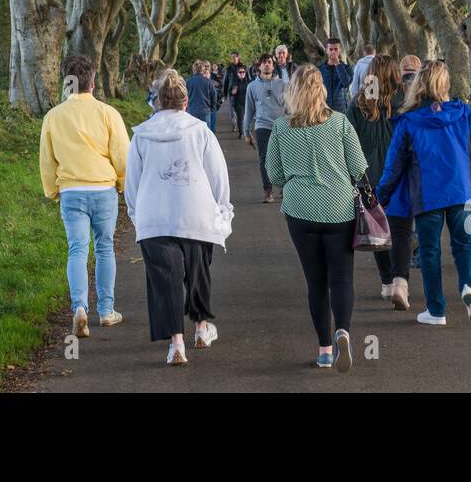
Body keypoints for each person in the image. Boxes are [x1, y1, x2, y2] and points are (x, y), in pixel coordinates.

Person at [125, 69, 233, 365]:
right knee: (198, 272)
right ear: (186, 102)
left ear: (156, 102)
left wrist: (137, 216)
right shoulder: (201, 132)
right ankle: (200, 327)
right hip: (196, 215)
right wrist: (222, 211)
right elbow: (218, 177)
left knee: (165, 279)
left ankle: (176, 344)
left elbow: (131, 183)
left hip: (155, 218)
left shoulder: (141, 136)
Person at [265, 65, 368, 372]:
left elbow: (275, 175)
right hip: (339, 209)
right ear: (321, 89)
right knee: (342, 278)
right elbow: (359, 167)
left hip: (300, 211)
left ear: (292, 91)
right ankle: (343, 332)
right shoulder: (339, 123)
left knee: (316, 281)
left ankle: (324, 349)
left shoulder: (281, 128)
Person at [378, 60, 471, 327]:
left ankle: (436, 310)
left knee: (429, 251)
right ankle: (468, 286)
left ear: (418, 85)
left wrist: (382, 196)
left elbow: (394, 165)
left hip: (427, 194)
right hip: (461, 189)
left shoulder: (409, 121)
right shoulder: (462, 112)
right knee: (464, 245)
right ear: (445, 84)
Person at [39, 54, 130, 338]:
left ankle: (79, 307)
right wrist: (123, 184)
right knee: (104, 248)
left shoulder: (53, 116)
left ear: (67, 82)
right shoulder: (108, 113)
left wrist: (53, 189)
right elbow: (122, 154)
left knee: (77, 250)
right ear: (93, 81)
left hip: (71, 190)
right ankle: (106, 310)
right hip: (102, 188)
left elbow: (47, 159)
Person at [345, 54, 413, 309]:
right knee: (401, 231)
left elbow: (348, 142)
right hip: (400, 175)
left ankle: (386, 282)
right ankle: (400, 280)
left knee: (379, 232)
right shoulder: (405, 101)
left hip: (368, 178)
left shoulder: (358, 103)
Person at [243, 54, 288, 203]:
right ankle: (268, 191)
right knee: (264, 159)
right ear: (259, 66)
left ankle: (284, 188)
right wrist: (246, 131)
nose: (266, 65)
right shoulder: (252, 86)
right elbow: (249, 110)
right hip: (262, 125)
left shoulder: (282, 84)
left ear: (273, 66)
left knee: (283, 158)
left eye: (269, 62)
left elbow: (289, 107)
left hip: (281, 125)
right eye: (263, 63)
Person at [318, 38, 353, 113]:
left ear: (340, 50)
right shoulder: (319, 69)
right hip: (324, 110)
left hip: (341, 111)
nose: (333, 52)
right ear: (326, 50)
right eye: (330, 49)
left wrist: (337, 64)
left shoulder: (347, 68)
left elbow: (346, 83)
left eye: (336, 49)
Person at [186, 60, 216, 127]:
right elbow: (214, 96)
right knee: (205, 134)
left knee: (193, 133)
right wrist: (212, 108)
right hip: (205, 111)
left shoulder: (188, 81)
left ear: (194, 70)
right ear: (203, 70)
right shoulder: (208, 82)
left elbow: (185, 96)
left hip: (192, 111)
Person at [209, 63, 224, 132]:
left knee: (214, 110)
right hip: (206, 101)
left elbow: (221, 84)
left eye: (207, 66)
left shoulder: (215, 75)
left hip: (215, 97)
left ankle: (212, 130)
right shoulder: (203, 77)